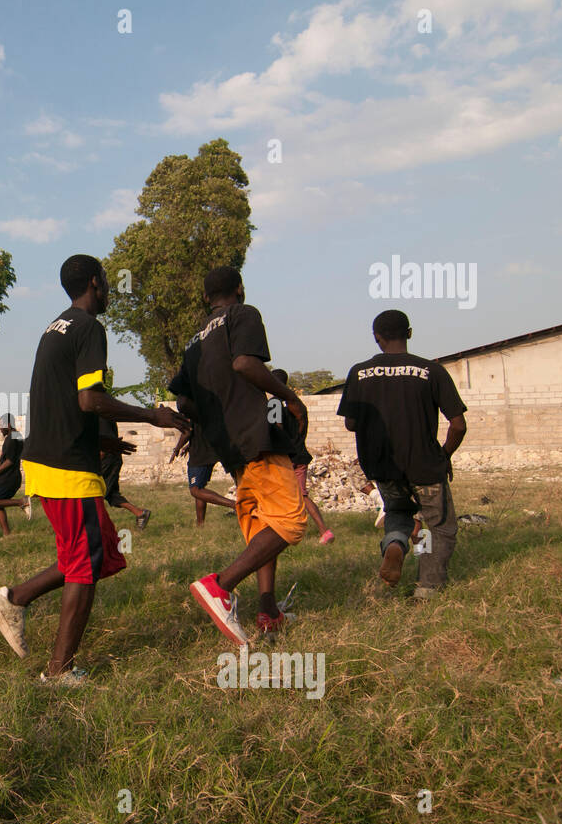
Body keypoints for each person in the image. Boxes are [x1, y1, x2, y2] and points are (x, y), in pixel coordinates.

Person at [0, 255, 189, 685]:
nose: (110, 289)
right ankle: (58, 671)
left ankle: (14, 598)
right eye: (108, 282)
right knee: (85, 565)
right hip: (64, 468)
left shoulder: (55, 326)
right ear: (96, 283)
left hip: (50, 458)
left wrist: (102, 441)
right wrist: (153, 416)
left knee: (96, 550)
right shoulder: (90, 327)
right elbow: (88, 401)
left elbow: (60, 404)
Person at [169, 266, 309, 646]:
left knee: (264, 526)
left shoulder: (193, 341)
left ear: (205, 298)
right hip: (254, 436)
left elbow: (183, 399)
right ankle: (221, 586)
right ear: (240, 289)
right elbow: (245, 363)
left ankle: (268, 611)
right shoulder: (243, 314)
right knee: (291, 522)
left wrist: (215, 424)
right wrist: (290, 397)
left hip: (228, 447)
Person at [337, 310, 467, 598]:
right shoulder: (431, 371)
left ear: (377, 338)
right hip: (425, 466)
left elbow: (351, 423)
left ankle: (395, 546)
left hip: (382, 468)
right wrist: (444, 455)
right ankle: (427, 587)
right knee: (438, 526)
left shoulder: (359, 372)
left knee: (398, 512)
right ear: (409, 333)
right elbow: (458, 425)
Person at [269, 369, 334, 544]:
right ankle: (319, 530)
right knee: (300, 495)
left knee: (280, 495)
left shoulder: (273, 403)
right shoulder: (296, 403)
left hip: (285, 457)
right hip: (300, 455)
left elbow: (276, 428)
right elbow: (301, 429)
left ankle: (282, 532)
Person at [169, 423, 235, 526]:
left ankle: (235, 506)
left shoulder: (189, 407)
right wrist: (190, 445)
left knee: (195, 490)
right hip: (209, 450)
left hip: (200, 454)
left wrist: (176, 449)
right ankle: (200, 524)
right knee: (200, 487)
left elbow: (187, 431)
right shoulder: (206, 408)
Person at [0, 413, 32, 537]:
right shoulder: (17, 436)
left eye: (1, 425)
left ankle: (22, 502)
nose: (0, 428)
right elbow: (11, 459)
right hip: (12, 477)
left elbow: (9, 461)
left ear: (8, 425)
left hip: (8, 478)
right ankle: (7, 535)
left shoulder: (11, 438)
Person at [98, 415, 149, 530]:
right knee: (111, 494)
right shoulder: (101, 413)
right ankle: (140, 513)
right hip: (110, 458)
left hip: (108, 459)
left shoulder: (100, 416)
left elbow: (106, 443)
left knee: (95, 492)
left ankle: (97, 525)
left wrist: (97, 462)